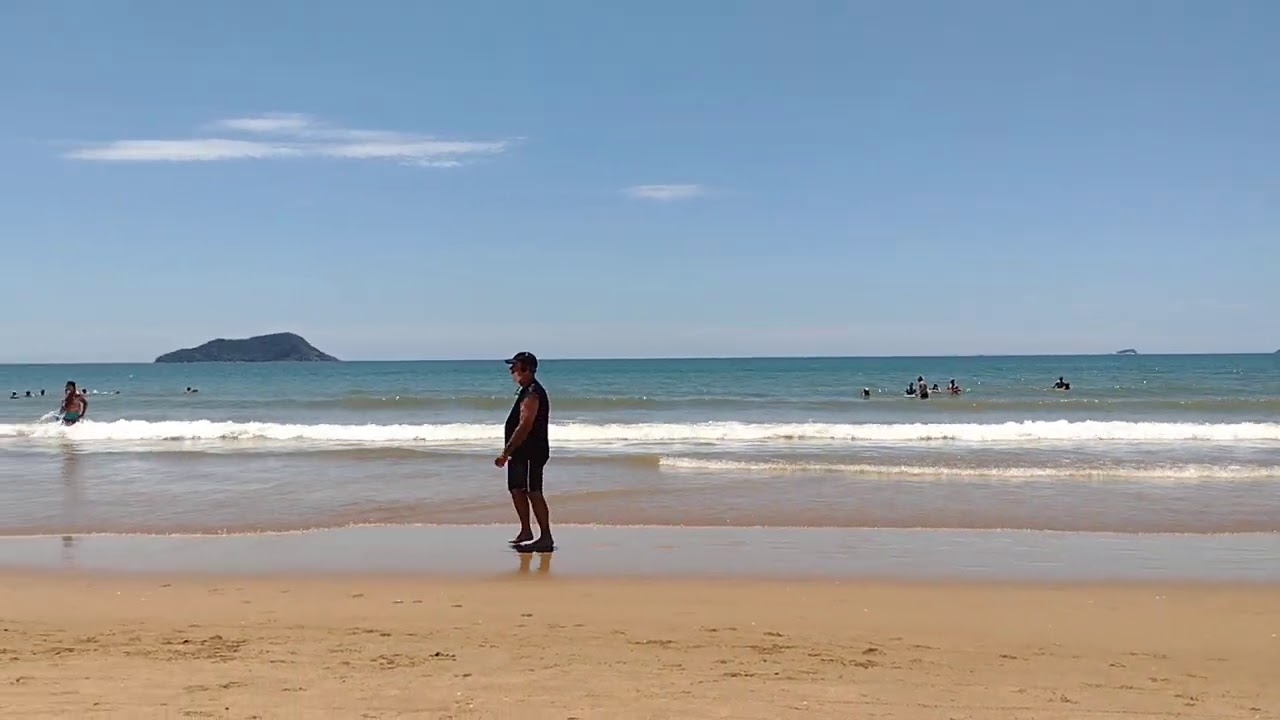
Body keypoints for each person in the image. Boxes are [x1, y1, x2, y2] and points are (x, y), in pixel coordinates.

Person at [495, 351, 553, 553]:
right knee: (516, 489)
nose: (511, 370)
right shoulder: (525, 390)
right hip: (520, 452)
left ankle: (546, 537)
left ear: (526, 369)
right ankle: (526, 530)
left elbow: (525, 424)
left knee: (533, 491)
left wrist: (506, 451)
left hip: (531, 451)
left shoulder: (533, 392)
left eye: (515, 366)